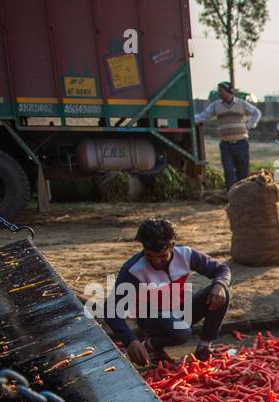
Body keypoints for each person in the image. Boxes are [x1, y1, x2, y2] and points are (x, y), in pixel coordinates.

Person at [104, 218, 231, 365]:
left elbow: (222, 269)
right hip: (150, 317)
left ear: (172, 246)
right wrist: (130, 340)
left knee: (222, 291)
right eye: (150, 256)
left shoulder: (185, 255)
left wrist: (220, 284)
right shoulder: (134, 270)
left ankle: (204, 347)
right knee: (182, 332)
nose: (156, 262)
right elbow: (110, 309)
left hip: (179, 310)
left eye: (162, 256)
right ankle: (151, 345)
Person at [194, 81, 262, 187]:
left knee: (242, 173)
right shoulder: (216, 105)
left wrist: (249, 125)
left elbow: (257, 113)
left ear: (228, 91)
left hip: (241, 144)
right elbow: (202, 116)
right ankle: (231, 195)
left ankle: (242, 196)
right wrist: (189, 118)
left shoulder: (241, 103)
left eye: (221, 91)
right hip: (226, 145)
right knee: (228, 172)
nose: (219, 93)